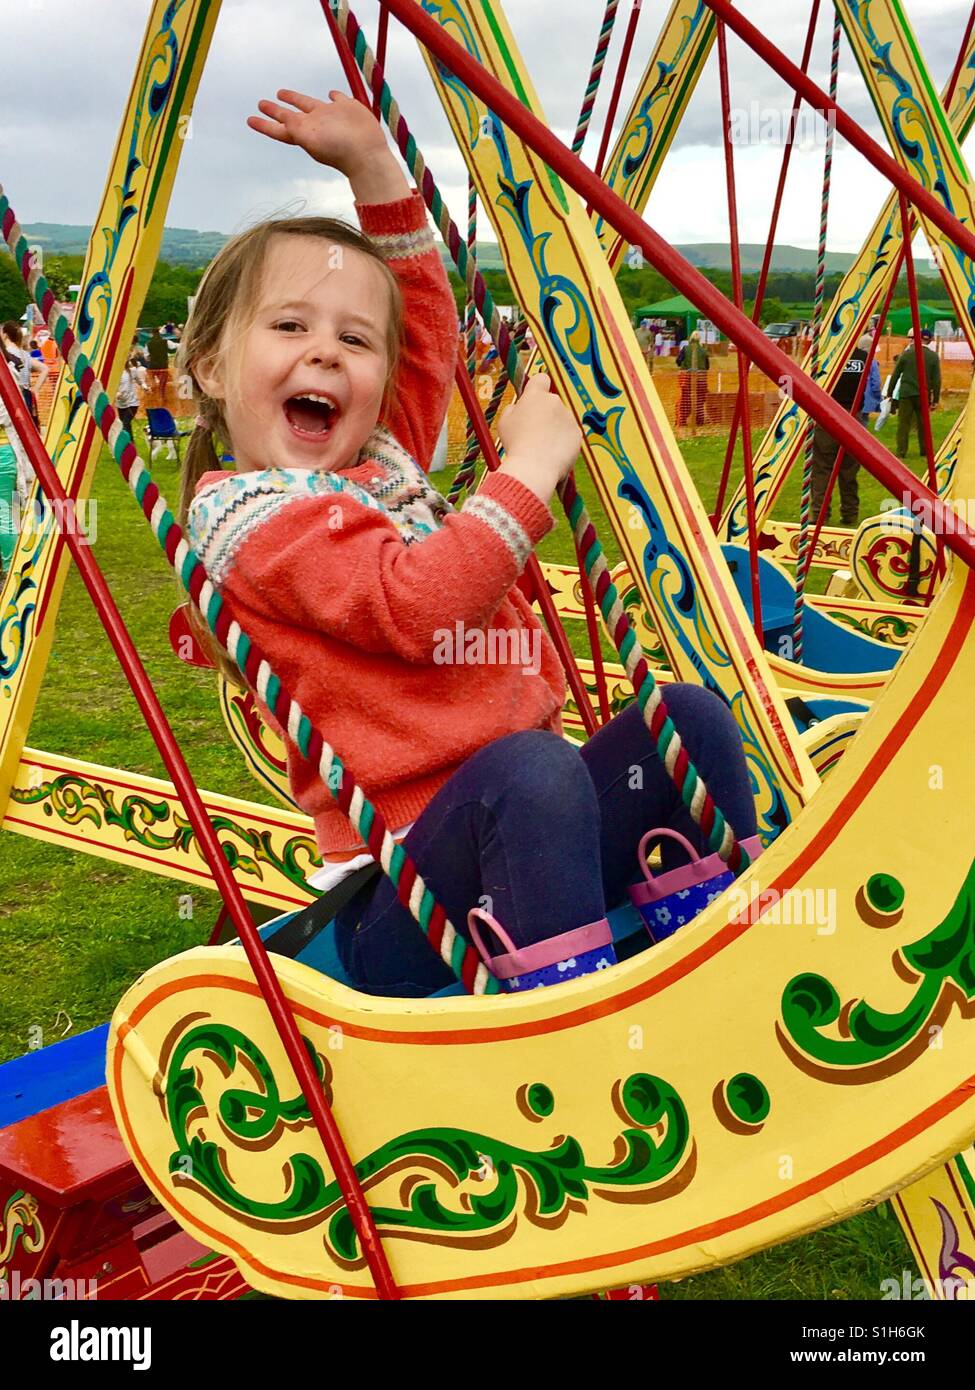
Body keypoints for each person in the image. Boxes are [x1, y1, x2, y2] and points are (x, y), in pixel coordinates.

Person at [180, 88, 757, 998]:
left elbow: (424, 335)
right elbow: (417, 607)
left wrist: (375, 171)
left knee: (679, 720)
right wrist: (524, 470)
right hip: (405, 898)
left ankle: (720, 946)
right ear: (209, 366)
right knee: (527, 772)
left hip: (529, 835)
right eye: (289, 326)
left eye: (353, 340)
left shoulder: (376, 464)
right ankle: (566, 1030)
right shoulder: (251, 523)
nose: (327, 352)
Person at [809, 340, 872, 527]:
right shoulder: (863, 358)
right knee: (849, 471)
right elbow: (871, 385)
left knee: (821, 470)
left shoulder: (826, 358)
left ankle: (819, 514)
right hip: (853, 418)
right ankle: (850, 514)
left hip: (827, 416)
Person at [889, 326, 941, 459]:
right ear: (929, 341)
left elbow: (896, 374)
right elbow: (936, 380)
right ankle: (924, 450)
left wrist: (890, 393)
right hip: (923, 394)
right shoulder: (933, 356)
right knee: (923, 423)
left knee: (903, 423)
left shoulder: (906, 354)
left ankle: (901, 450)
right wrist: (935, 399)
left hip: (906, 393)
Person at [1, 321, 47, 426]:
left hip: (13, 396)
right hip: (26, 395)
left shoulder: (6, 353)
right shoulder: (24, 354)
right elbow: (45, 369)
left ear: (5, 335)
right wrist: (35, 389)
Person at [676, 329, 709, 427]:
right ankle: (699, 420)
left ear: (691, 338)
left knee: (685, 399)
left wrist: (683, 364)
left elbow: (678, 361)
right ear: (699, 339)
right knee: (700, 399)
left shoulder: (685, 348)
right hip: (701, 378)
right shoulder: (703, 351)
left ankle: (682, 420)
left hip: (687, 378)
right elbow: (707, 366)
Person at [146, 326, 171, 407]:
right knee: (161, 387)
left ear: (152, 334)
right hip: (163, 366)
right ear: (159, 332)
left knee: (153, 387)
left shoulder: (148, 343)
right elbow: (174, 348)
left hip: (152, 367)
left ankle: (153, 403)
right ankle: (162, 404)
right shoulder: (165, 342)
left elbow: (146, 356)